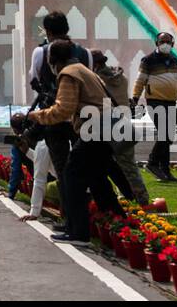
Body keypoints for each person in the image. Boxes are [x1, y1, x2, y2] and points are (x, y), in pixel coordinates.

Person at [25, 39, 124, 245]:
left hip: (93, 130)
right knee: (98, 180)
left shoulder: (68, 74)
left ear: (53, 61)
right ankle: (120, 225)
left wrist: (38, 116)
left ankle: (79, 232)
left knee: (71, 177)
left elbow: (63, 109)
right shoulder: (84, 70)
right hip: (104, 129)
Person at [90, 49, 150, 206]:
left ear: (94, 64)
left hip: (105, 126)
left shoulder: (96, 80)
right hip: (123, 124)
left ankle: (124, 199)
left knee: (101, 166)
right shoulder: (121, 78)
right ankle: (140, 197)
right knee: (128, 165)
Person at [132, 31, 177, 182]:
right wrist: (135, 98)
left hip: (171, 102)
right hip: (155, 101)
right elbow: (140, 81)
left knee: (169, 136)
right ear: (156, 43)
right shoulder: (148, 60)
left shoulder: (174, 61)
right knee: (165, 134)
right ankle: (152, 163)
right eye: (162, 41)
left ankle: (165, 171)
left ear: (172, 44)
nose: (165, 44)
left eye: (167, 42)